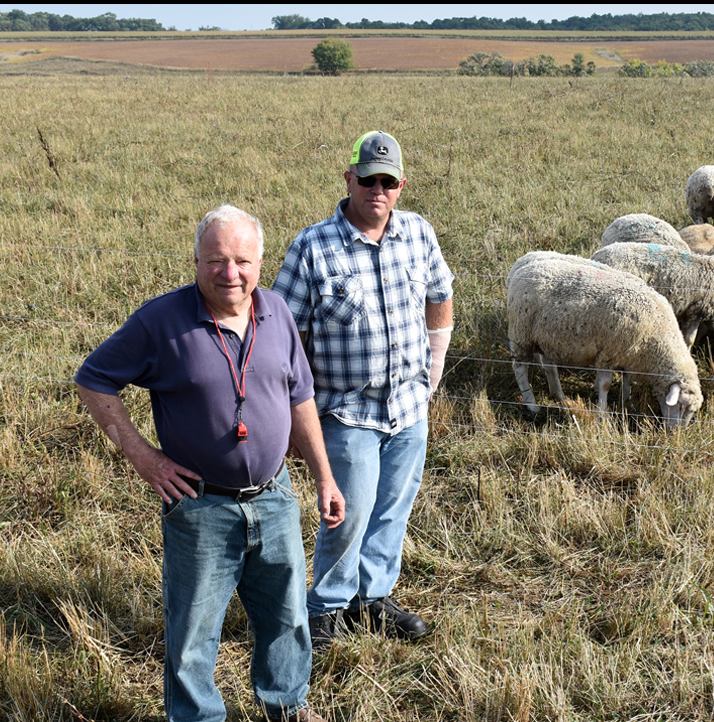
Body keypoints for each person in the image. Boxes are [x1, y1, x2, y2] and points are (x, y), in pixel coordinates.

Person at [75, 205, 343, 722]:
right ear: (195, 261)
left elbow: (301, 397)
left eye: (242, 260)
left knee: (287, 617)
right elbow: (94, 379)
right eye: (216, 260)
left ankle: (287, 706)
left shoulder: (278, 314)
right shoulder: (162, 322)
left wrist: (324, 477)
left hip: (274, 496)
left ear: (261, 263)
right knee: (194, 631)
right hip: (200, 506)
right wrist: (144, 457)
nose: (230, 273)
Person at [272, 130, 454, 648]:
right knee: (345, 514)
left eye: (388, 181)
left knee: (393, 510)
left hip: (409, 405)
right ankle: (326, 607)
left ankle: (371, 599)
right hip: (345, 409)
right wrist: (292, 410)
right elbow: (288, 333)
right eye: (368, 179)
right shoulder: (312, 246)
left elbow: (441, 294)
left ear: (401, 186)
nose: (377, 190)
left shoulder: (418, 233)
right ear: (348, 178)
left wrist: (433, 369)